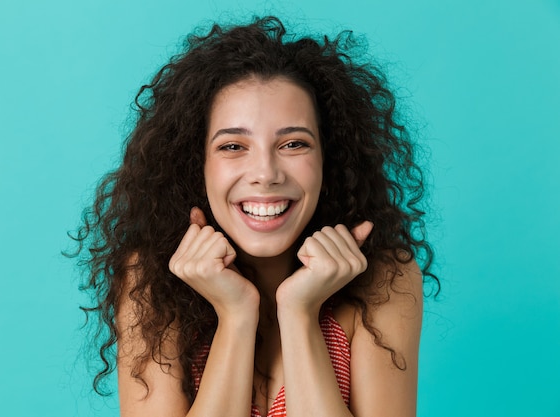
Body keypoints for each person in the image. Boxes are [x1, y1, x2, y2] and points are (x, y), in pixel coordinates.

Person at [72, 15, 438, 417]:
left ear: (328, 161)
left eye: (294, 143)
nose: (265, 173)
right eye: (232, 146)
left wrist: (300, 312)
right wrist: (235, 314)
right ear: (198, 165)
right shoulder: (150, 280)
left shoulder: (385, 280)